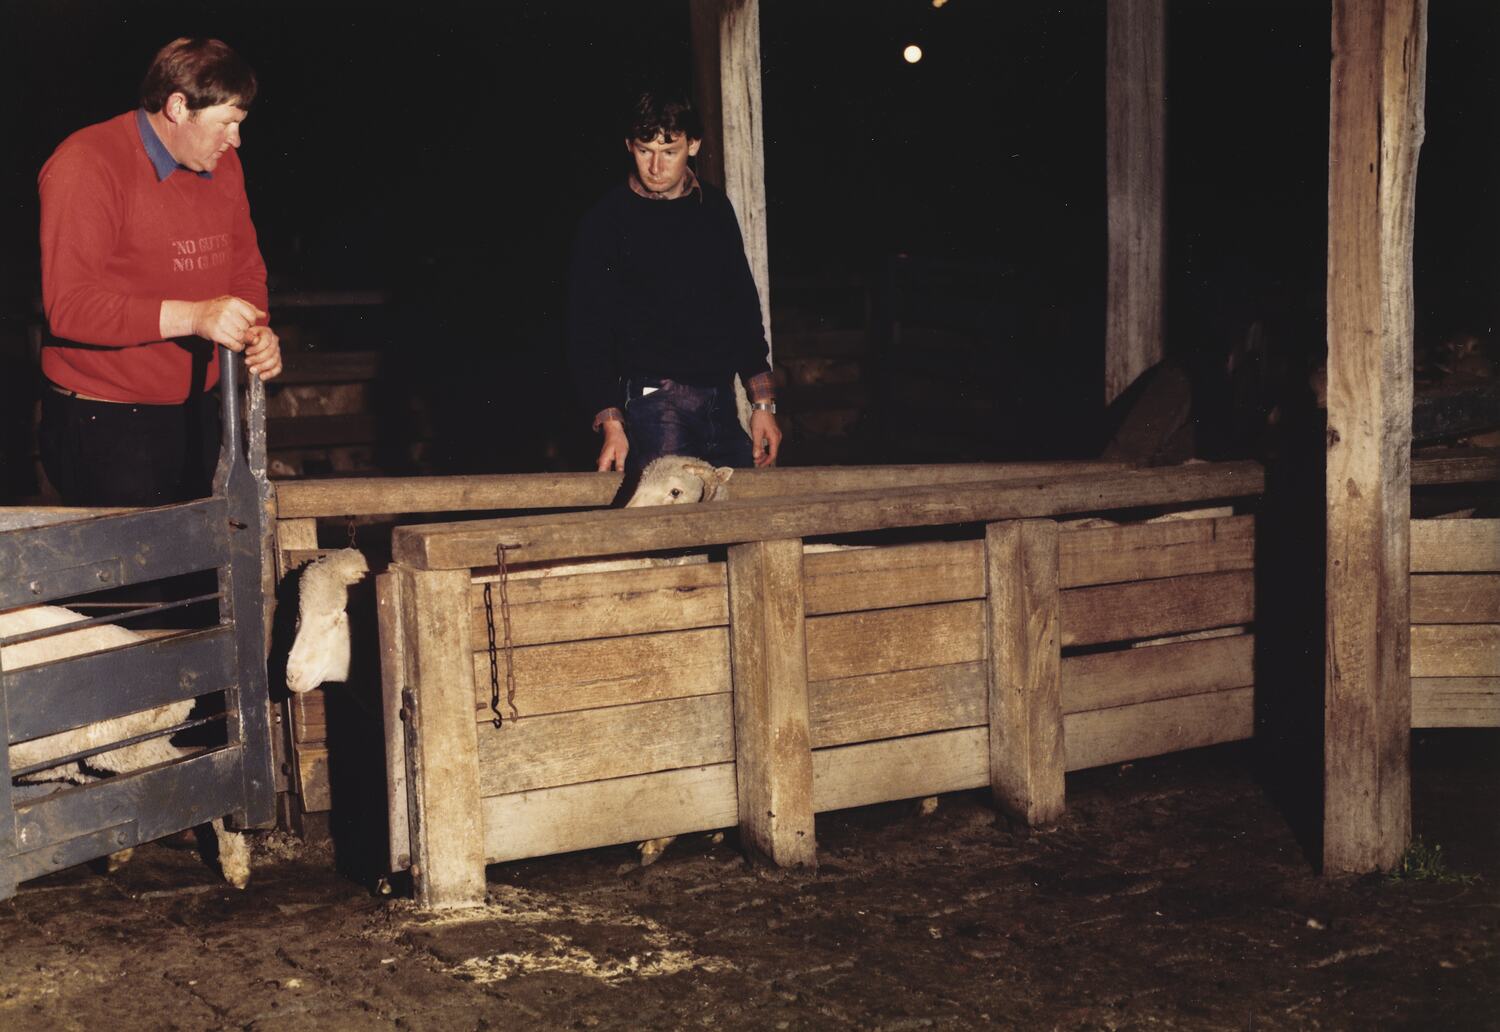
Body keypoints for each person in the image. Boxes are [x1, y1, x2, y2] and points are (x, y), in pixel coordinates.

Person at [37, 37, 281, 508]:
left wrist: (255, 330)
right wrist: (194, 317)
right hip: (105, 420)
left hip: (198, 412)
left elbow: (246, 270)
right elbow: (69, 308)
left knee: (208, 578)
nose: (236, 140)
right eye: (226, 124)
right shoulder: (87, 163)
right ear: (177, 106)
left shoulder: (223, 164)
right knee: (140, 580)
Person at [567, 87, 782, 476]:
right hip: (653, 401)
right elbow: (588, 330)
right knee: (674, 526)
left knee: (740, 515)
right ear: (629, 146)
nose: (656, 166)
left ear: (694, 145)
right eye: (644, 149)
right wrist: (612, 423)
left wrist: (762, 406)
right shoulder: (606, 221)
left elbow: (741, 307)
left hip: (720, 397)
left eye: (670, 151)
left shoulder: (714, 208)